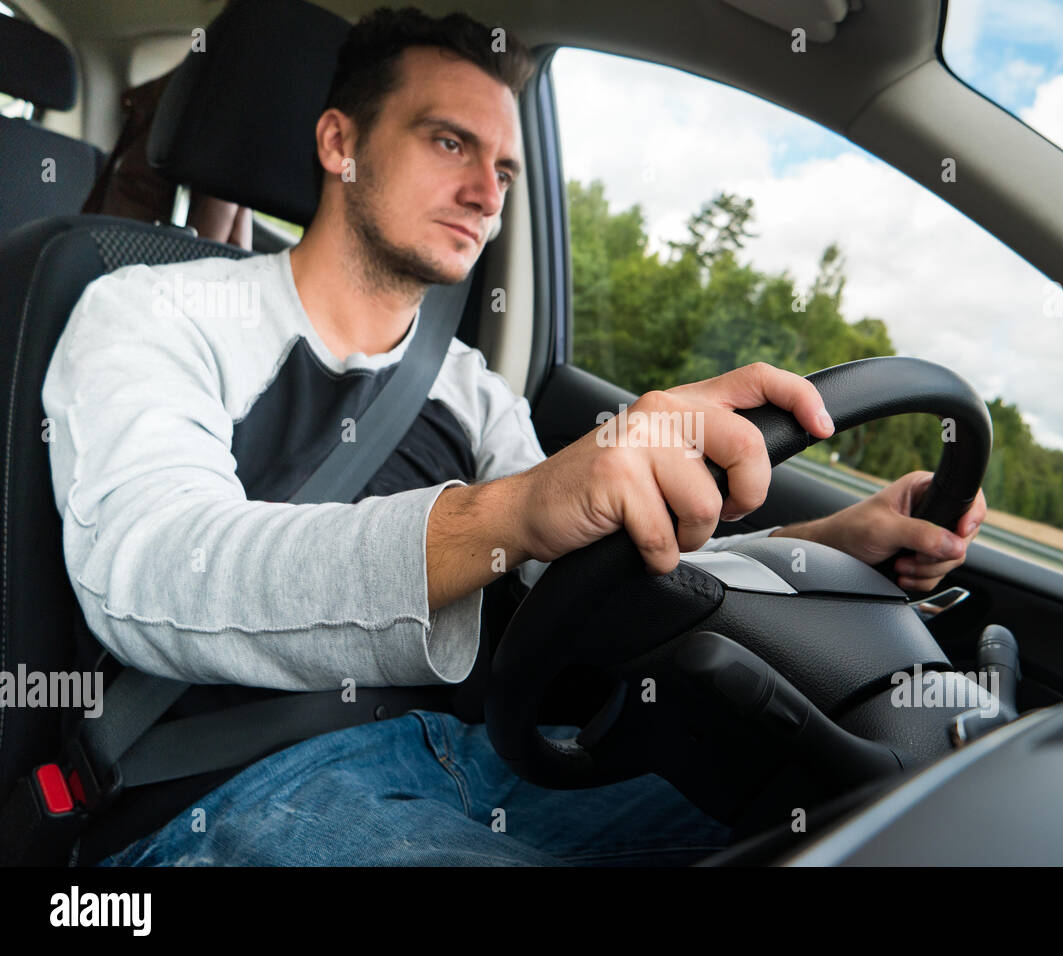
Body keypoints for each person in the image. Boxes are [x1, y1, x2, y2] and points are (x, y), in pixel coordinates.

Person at [43, 7, 985, 867]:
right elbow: (151, 569)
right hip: (236, 787)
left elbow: (586, 574)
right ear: (341, 142)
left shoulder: (469, 386)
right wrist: (511, 513)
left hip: (485, 762)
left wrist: (833, 544)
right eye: (449, 141)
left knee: (868, 820)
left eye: (501, 169)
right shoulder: (148, 308)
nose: (485, 193)